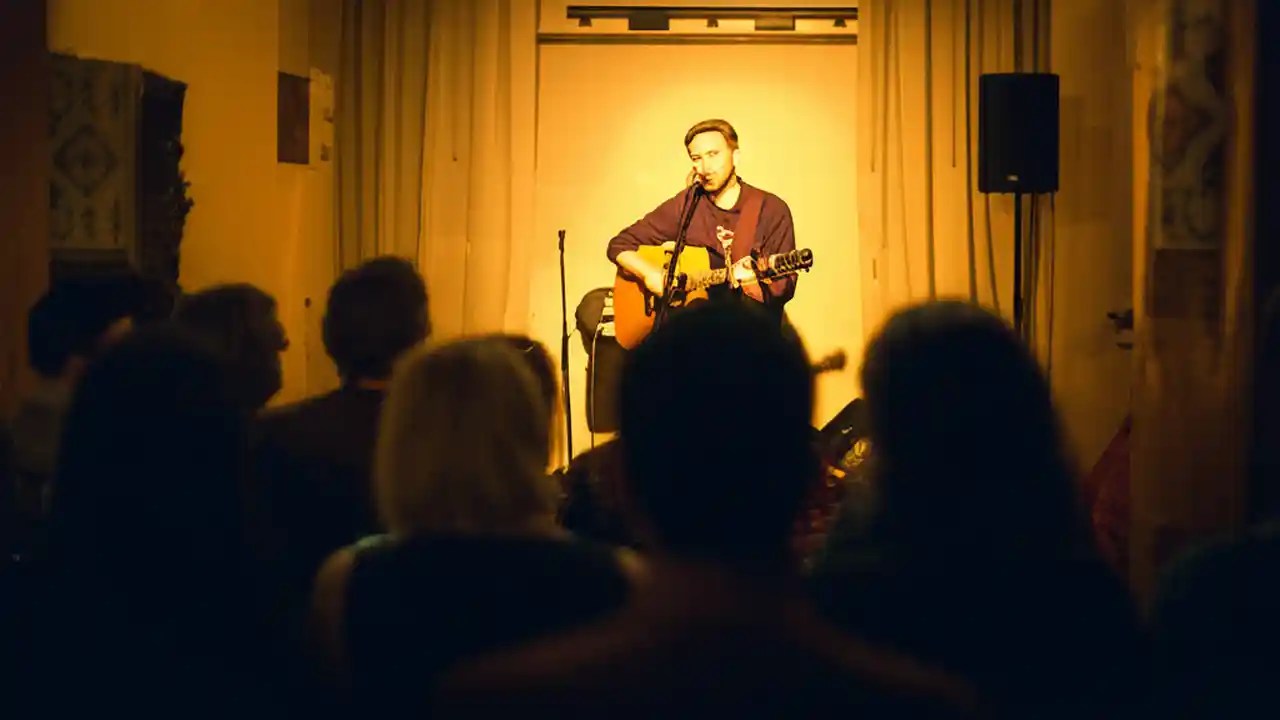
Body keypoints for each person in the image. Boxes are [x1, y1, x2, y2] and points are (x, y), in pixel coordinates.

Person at [607, 118, 799, 317]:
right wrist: (650, 275)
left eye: (713, 154)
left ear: (736, 157)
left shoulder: (770, 209)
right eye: (696, 158)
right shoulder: (688, 204)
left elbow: (782, 289)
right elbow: (620, 245)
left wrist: (750, 282)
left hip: (749, 335)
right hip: (691, 333)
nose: (705, 167)